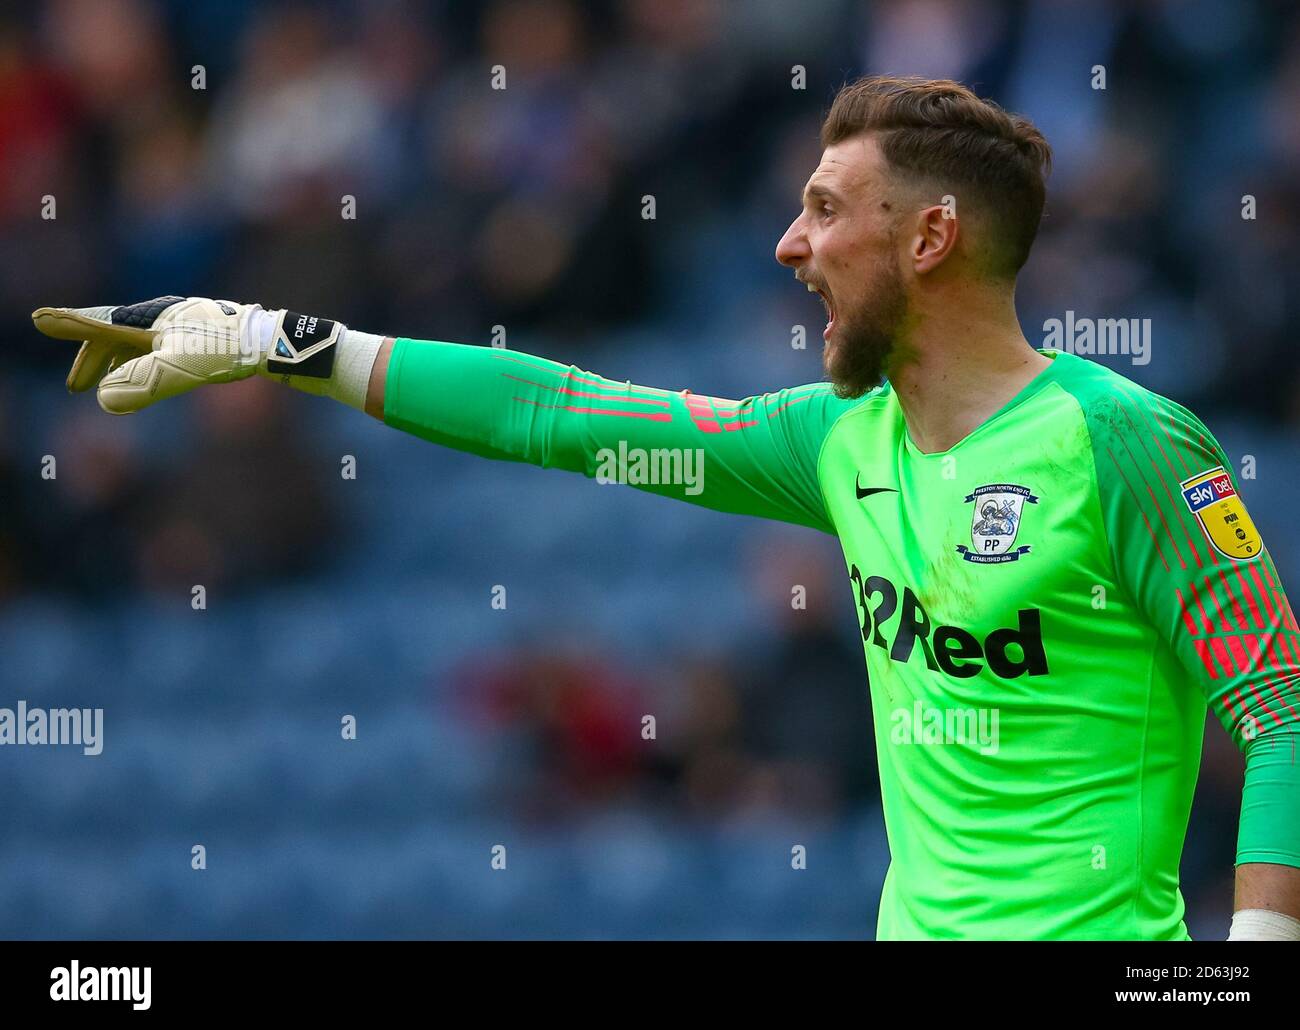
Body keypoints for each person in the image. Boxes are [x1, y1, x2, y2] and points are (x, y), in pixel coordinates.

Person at [34, 76, 1300, 941]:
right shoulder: (831, 441)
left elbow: (1281, 705)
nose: (786, 247)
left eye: (821, 209)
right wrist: (272, 339)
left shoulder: (1125, 441)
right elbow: (561, 416)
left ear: (927, 239)